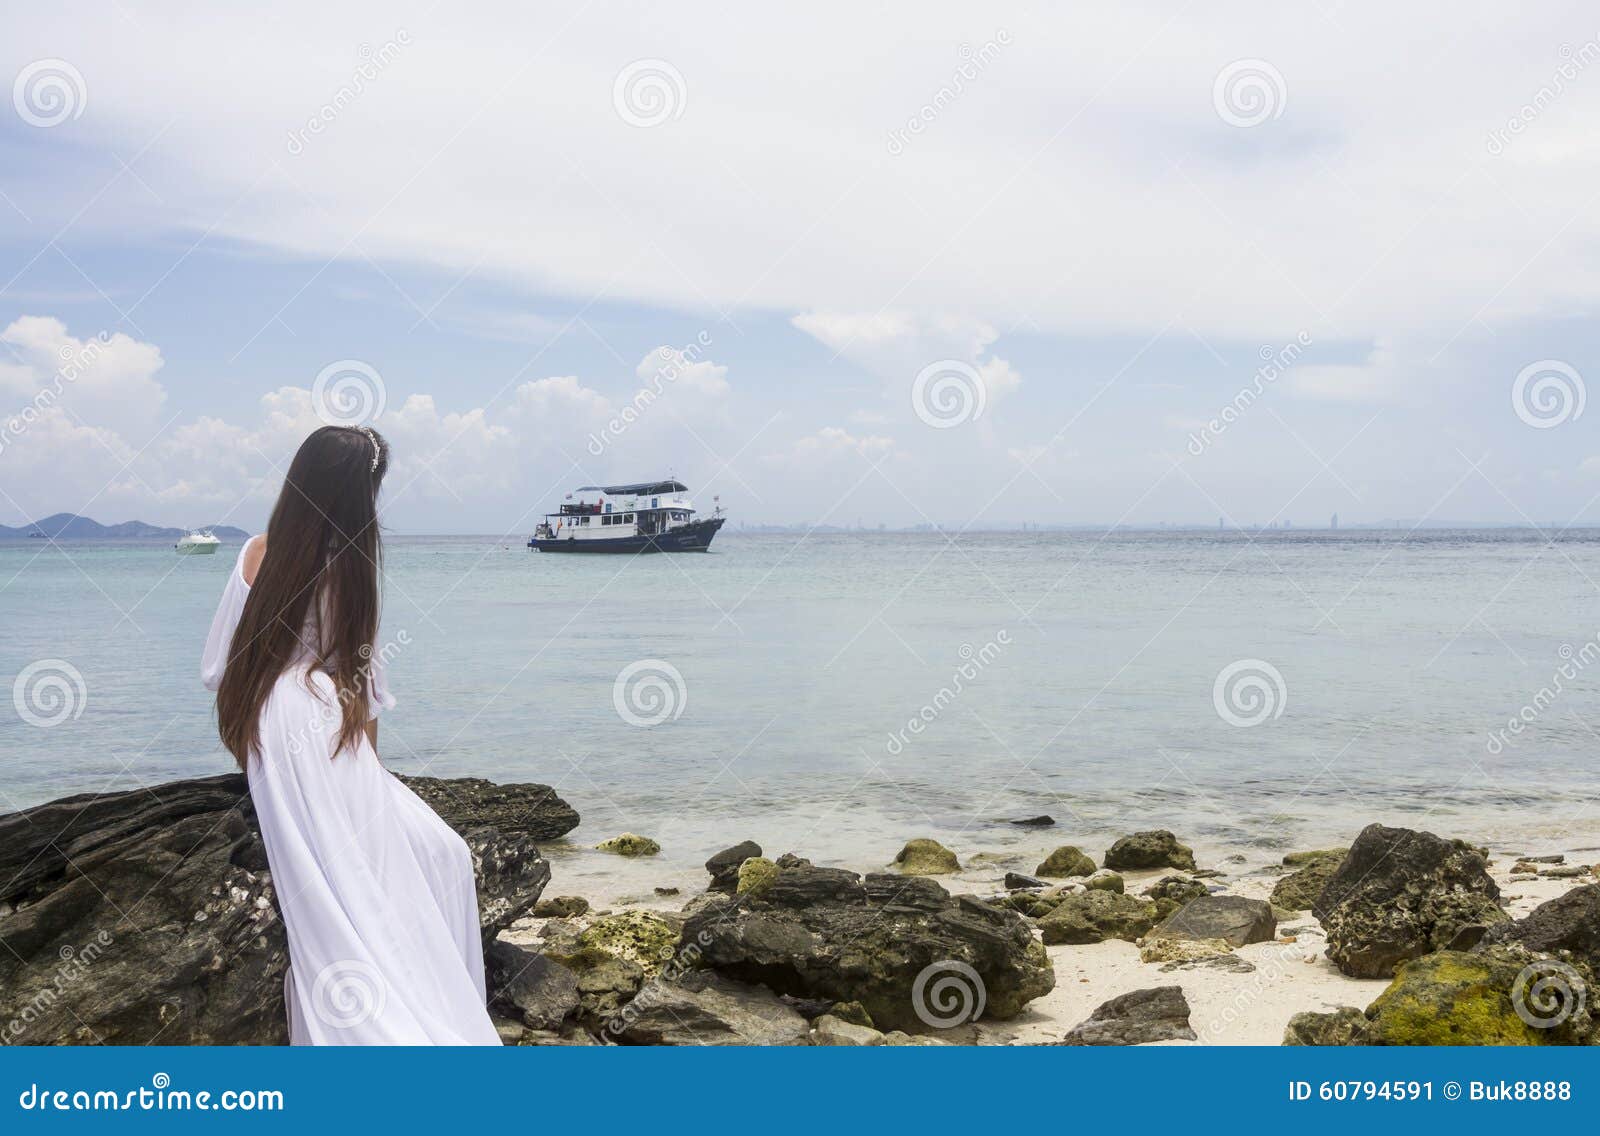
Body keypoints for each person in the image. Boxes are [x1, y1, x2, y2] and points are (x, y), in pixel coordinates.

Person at [201, 425, 499, 1045]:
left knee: (388, 861)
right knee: (432, 856)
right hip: (319, 717)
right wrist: (370, 770)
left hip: (268, 717)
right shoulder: (351, 561)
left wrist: (250, 751)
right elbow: (360, 685)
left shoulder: (258, 551)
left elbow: (224, 666)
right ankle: (434, 1006)